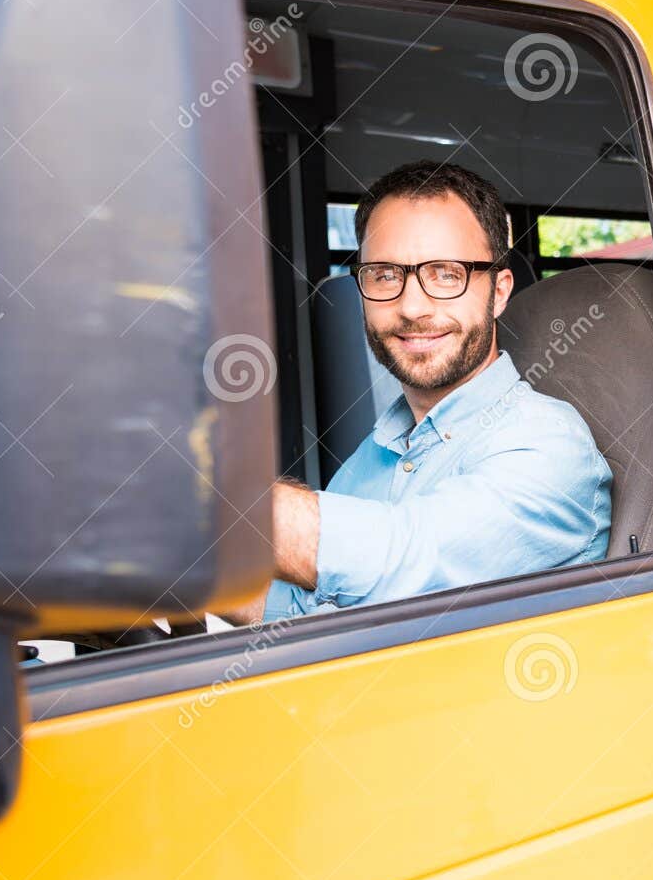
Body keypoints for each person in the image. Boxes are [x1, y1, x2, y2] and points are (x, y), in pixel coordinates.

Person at [245, 161, 611, 623]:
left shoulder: (551, 445)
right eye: (384, 274)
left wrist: (192, 502)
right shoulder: (372, 455)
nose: (412, 307)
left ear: (498, 292)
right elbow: (308, 608)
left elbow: (401, 559)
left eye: (445, 273)